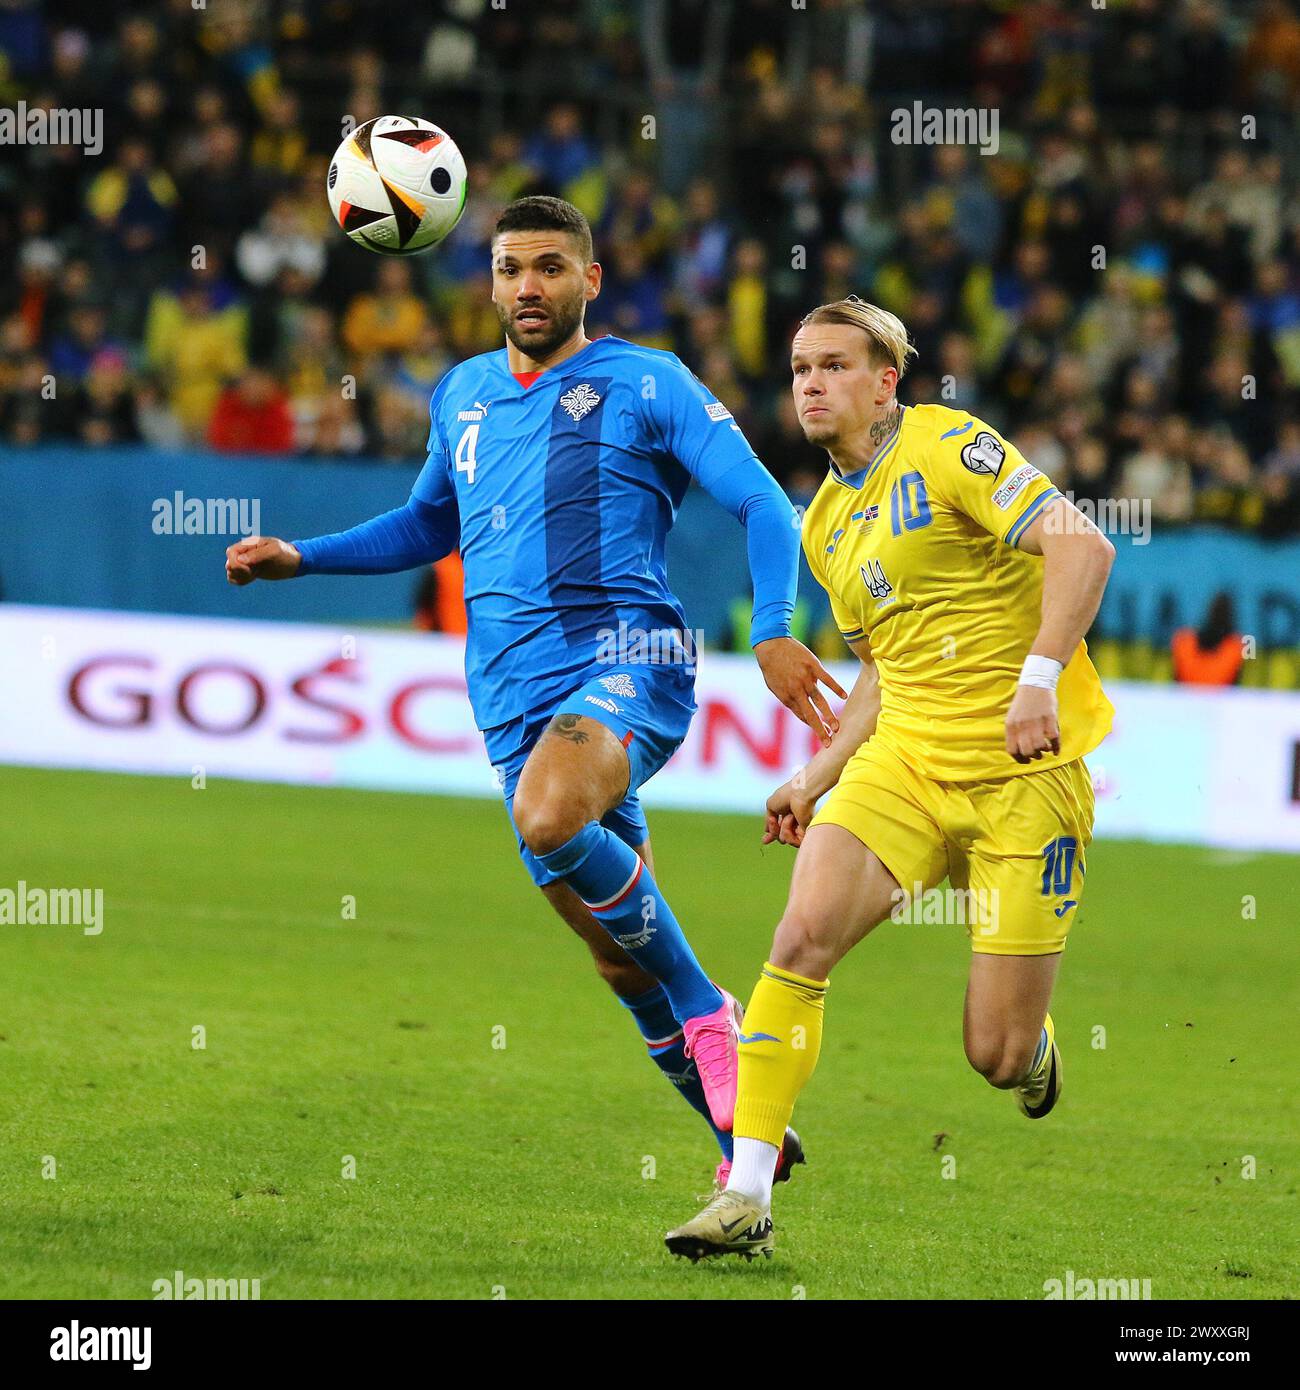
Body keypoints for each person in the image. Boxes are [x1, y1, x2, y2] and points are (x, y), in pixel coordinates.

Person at [225, 196, 844, 1184]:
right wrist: (305, 557)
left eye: (550, 266)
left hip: (626, 655)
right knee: (613, 956)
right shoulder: (462, 391)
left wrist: (772, 628)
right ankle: (746, 1164)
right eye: (510, 267)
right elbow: (430, 523)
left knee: (551, 817)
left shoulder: (648, 381)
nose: (526, 285)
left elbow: (765, 502)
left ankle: (709, 1009)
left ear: (590, 280)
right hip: (508, 691)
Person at [666, 297, 1115, 1260]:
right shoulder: (824, 523)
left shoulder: (954, 448)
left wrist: (1037, 681)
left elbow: (1085, 545)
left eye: (833, 365)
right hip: (904, 766)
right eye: (798, 370)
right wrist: (820, 771)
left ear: (886, 383)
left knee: (992, 1055)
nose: (812, 384)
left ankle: (1029, 1050)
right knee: (798, 939)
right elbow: (885, 667)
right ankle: (745, 1195)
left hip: (1024, 777)